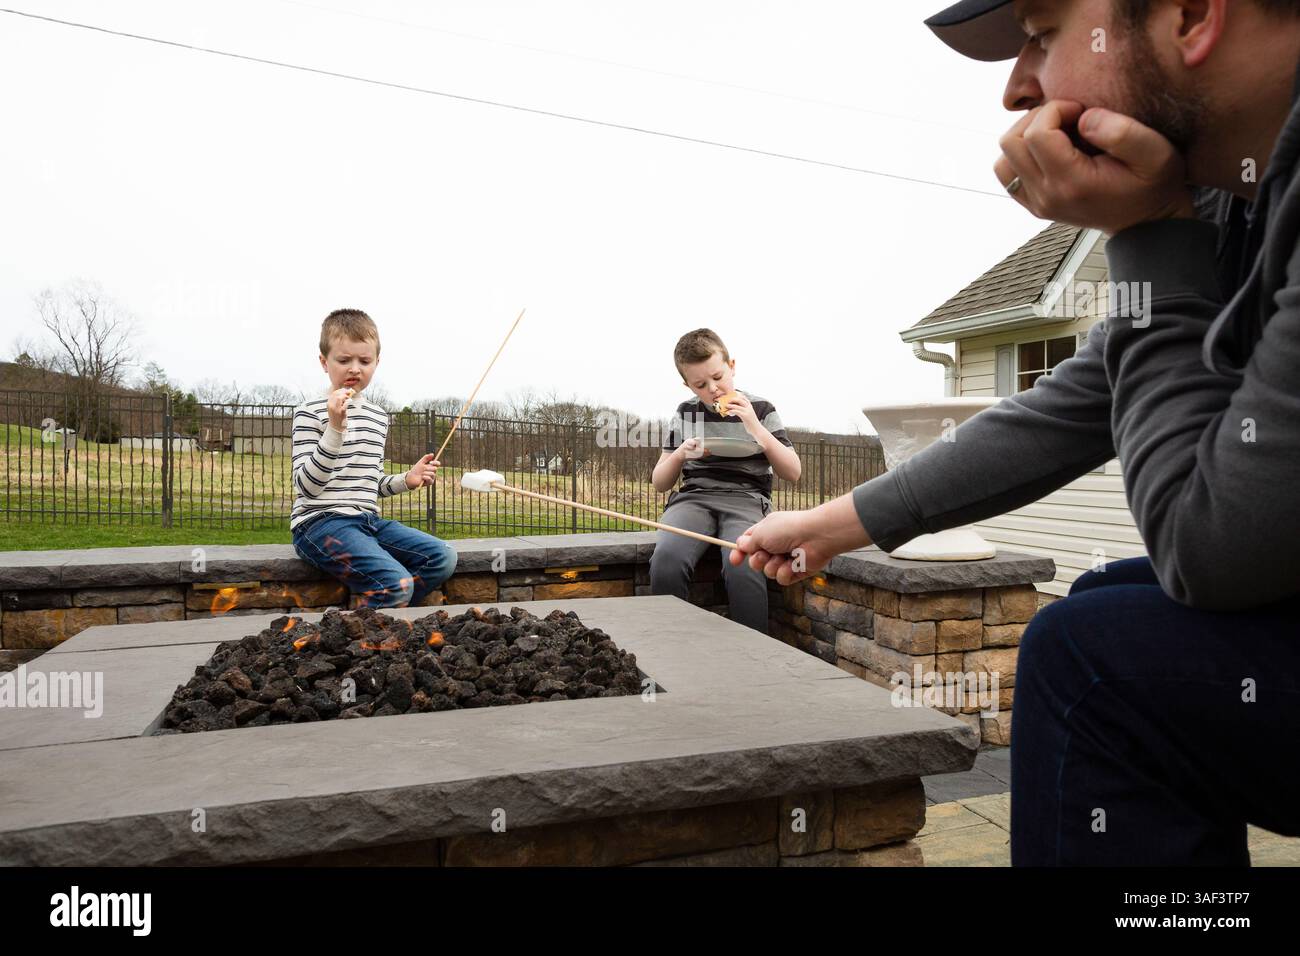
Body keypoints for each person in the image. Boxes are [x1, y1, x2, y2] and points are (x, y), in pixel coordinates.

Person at [731, 0, 1300, 865]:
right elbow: (1092, 394)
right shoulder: (1233, 205)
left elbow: (1211, 549)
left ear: (1190, 14)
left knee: (1097, 664)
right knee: (1110, 597)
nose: (1017, 90)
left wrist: (1147, 231)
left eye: (1040, 34)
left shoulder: (1194, 213)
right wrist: (836, 525)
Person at [291, 308, 456, 608]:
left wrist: (408, 479)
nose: (355, 368)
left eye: (364, 361)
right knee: (397, 583)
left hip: (367, 522)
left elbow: (372, 482)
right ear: (324, 362)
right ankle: (365, 623)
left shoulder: (378, 416)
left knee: (442, 558)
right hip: (319, 525)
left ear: (377, 363)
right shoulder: (309, 411)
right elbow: (306, 487)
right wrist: (334, 429)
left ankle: (385, 606)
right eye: (344, 360)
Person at [650, 328, 801, 634]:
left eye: (718, 377)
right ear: (687, 384)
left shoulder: (761, 409)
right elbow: (659, 482)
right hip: (694, 498)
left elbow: (793, 472)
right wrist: (679, 454)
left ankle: (753, 651)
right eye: (701, 384)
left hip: (746, 500)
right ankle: (671, 644)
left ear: (731, 366)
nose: (713, 389)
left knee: (744, 564)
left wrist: (757, 428)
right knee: (666, 559)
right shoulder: (686, 412)